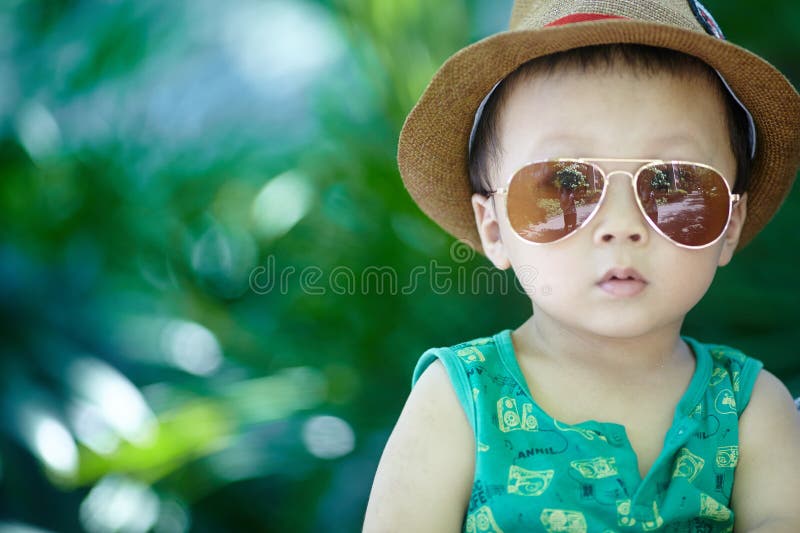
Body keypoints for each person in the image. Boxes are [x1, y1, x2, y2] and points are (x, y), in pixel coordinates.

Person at [363, 1, 800, 531]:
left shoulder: (753, 411)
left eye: (673, 185)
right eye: (564, 184)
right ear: (495, 228)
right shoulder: (457, 403)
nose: (620, 224)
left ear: (729, 224)